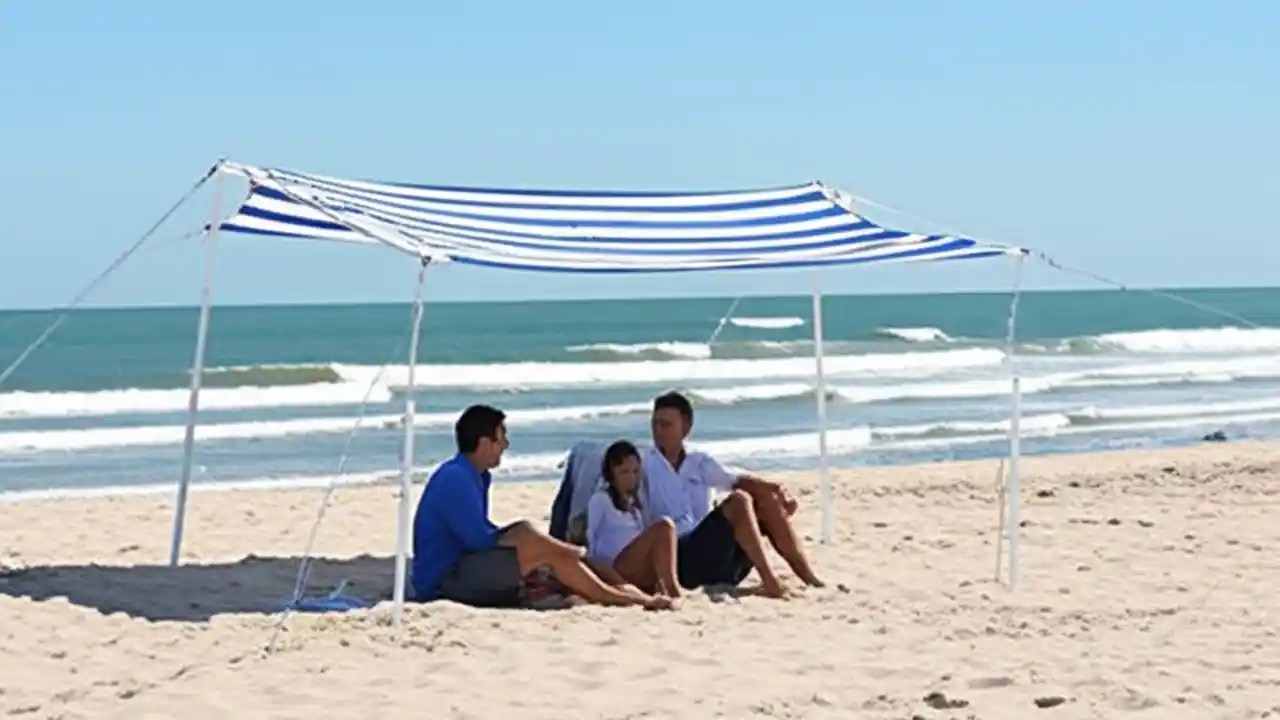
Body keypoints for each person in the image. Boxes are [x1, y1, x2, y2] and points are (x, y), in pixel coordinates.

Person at [411, 404, 671, 610]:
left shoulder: (477, 475)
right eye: (500, 439)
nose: (505, 445)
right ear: (483, 443)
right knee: (535, 540)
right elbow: (477, 539)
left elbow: (479, 535)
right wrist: (523, 537)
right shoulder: (455, 476)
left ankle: (620, 594)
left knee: (545, 550)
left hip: (464, 566)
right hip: (443, 581)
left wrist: (525, 541)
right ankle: (607, 582)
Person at [641, 391, 824, 598]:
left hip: (713, 554)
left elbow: (735, 480)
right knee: (739, 501)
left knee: (764, 500)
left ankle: (809, 578)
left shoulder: (698, 462)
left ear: (686, 427)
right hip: (680, 557)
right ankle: (771, 581)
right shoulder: (644, 463)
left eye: (666, 425)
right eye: (655, 424)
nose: (658, 431)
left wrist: (777, 491)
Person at [585, 440, 681, 599]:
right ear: (611, 474)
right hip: (615, 566)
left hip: (635, 564)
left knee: (665, 538)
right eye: (624, 472)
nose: (631, 478)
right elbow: (591, 543)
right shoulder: (601, 500)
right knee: (664, 526)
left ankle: (665, 586)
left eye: (635, 472)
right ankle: (672, 590)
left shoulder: (635, 505)